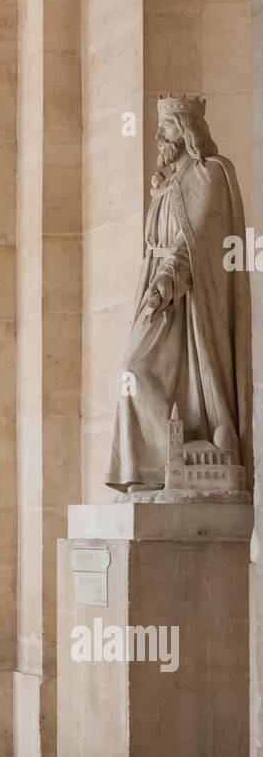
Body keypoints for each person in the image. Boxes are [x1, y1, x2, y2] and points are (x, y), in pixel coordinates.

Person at [106, 95, 251, 494]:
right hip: (158, 292)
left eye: (167, 126)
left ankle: (166, 465)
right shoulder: (169, 183)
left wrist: (166, 283)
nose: (158, 135)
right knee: (131, 375)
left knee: (133, 371)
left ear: (188, 129)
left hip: (186, 302)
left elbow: (198, 244)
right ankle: (152, 470)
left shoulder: (209, 174)